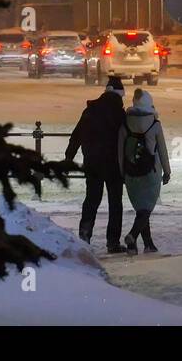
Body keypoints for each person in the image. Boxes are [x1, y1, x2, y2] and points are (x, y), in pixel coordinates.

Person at [65, 74, 127, 253]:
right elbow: (127, 139)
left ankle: (85, 236)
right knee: (115, 203)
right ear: (119, 94)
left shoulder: (90, 110)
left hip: (92, 162)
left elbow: (76, 135)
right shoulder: (119, 113)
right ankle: (112, 242)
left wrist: (69, 157)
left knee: (92, 200)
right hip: (114, 165)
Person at [118, 89, 171, 254]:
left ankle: (145, 245)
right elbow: (162, 150)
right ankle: (133, 235)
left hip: (131, 173)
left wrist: (122, 172)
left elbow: (120, 151)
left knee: (141, 208)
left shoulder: (125, 123)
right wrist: (167, 171)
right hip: (151, 173)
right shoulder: (155, 124)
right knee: (146, 209)